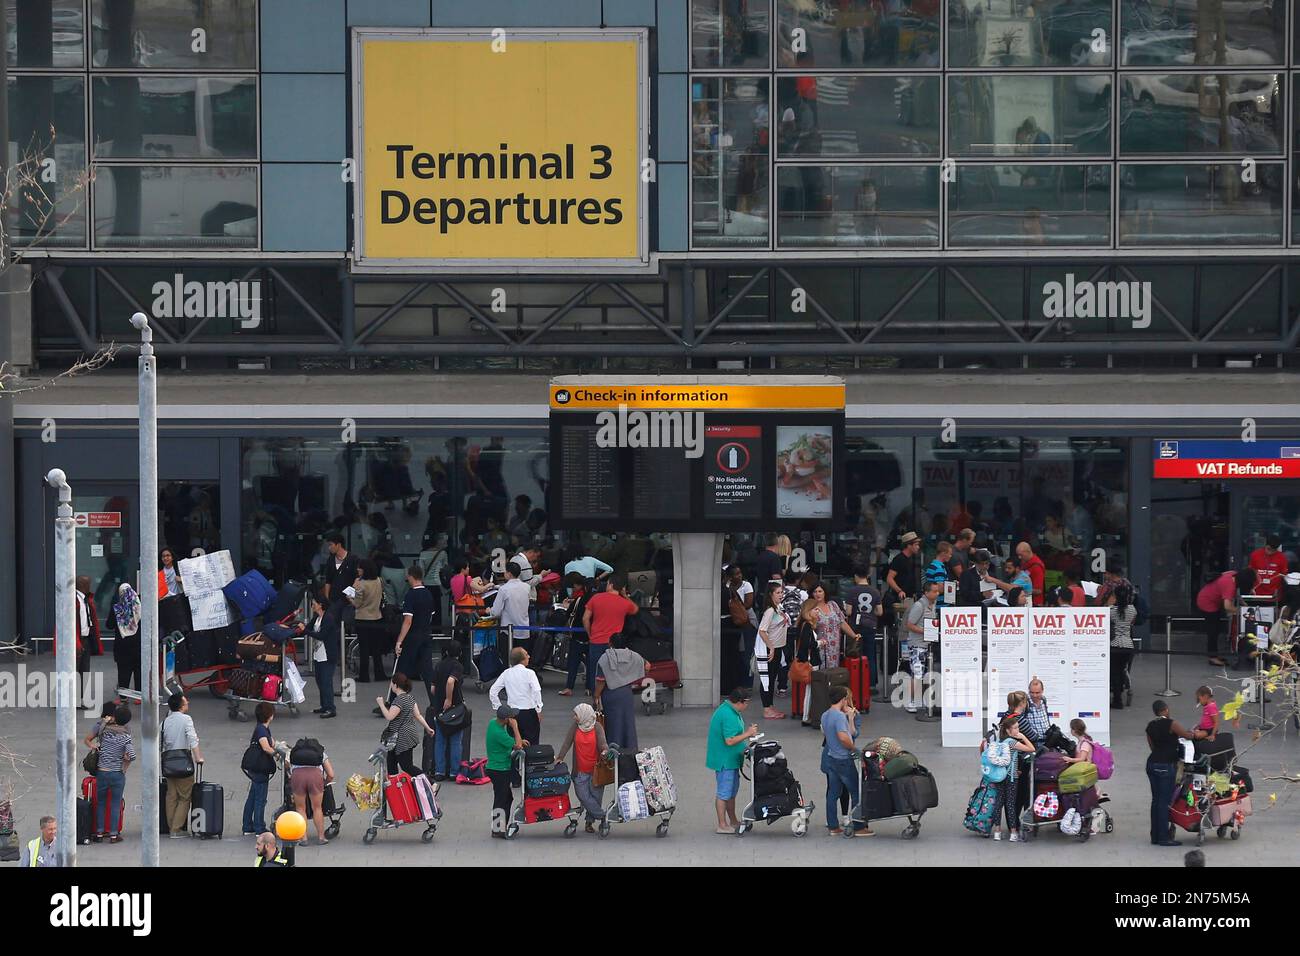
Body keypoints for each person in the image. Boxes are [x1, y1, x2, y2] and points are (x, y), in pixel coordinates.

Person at [707, 687, 758, 834]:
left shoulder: (731, 711)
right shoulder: (727, 715)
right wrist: (748, 734)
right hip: (725, 761)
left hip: (732, 759)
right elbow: (729, 740)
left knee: (731, 792)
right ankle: (722, 825)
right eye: (746, 703)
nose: (747, 706)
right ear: (740, 702)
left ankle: (733, 820)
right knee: (724, 792)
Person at [1147, 700, 1198, 846]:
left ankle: (1154, 835)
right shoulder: (1171, 723)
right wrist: (1195, 733)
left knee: (1156, 801)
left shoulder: (1150, 726)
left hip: (1151, 764)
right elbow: (1187, 736)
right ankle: (1163, 837)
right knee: (1164, 802)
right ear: (1166, 710)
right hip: (1166, 765)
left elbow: (1152, 746)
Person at [554, 702, 609, 833]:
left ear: (584, 715)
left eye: (576, 715)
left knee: (595, 797)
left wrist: (605, 752)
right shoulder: (576, 727)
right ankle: (603, 816)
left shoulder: (597, 727)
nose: (574, 717)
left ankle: (589, 823)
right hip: (580, 771)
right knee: (583, 796)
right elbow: (567, 743)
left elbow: (603, 744)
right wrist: (560, 757)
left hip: (596, 771)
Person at [582, 573, 639, 698]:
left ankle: (595, 697)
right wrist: (624, 595)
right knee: (614, 670)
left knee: (595, 670)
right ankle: (611, 694)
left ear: (611, 584)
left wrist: (590, 634)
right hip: (614, 643)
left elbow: (585, 619)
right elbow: (635, 609)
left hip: (596, 640)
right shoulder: (624, 603)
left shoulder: (596, 598)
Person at [821, 685, 867, 836]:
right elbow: (843, 737)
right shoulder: (839, 717)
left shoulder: (825, 715)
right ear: (843, 699)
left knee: (833, 793)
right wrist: (854, 749)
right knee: (856, 792)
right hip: (843, 759)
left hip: (831, 758)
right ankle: (859, 826)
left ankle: (833, 826)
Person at [986, 713, 1036, 842]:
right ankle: (1013, 833)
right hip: (1011, 777)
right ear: (1008, 730)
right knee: (1010, 804)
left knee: (998, 803)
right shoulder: (1012, 742)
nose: (1018, 730)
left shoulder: (998, 741)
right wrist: (1023, 737)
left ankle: (997, 831)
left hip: (998, 776)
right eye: (1015, 728)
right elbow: (1031, 749)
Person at [161, 692, 204, 838]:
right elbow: (192, 739)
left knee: (171, 795)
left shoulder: (165, 722)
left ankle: (171, 825)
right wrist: (198, 757)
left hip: (168, 763)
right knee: (185, 796)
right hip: (183, 762)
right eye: (186, 702)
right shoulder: (186, 719)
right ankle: (176, 829)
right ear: (180, 706)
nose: (188, 703)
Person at [594, 632, 647, 750]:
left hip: (610, 694)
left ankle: (613, 752)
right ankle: (629, 750)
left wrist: (596, 696)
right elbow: (647, 666)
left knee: (612, 724)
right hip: (626, 694)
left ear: (610, 643)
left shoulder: (605, 658)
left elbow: (601, 680)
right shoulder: (633, 656)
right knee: (628, 723)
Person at [377, 672, 435, 777]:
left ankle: (429, 782)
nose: (391, 686)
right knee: (392, 761)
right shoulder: (410, 698)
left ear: (396, 685)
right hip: (407, 735)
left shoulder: (399, 700)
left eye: (392, 683)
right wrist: (428, 727)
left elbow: (389, 716)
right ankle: (394, 787)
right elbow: (418, 715)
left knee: (407, 766)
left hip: (401, 737)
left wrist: (381, 704)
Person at [90, 705, 134, 843]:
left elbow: (99, 729)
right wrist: (125, 762)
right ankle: (114, 835)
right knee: (115, 804)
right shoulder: (126, 737)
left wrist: (105, 721)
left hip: (102, 772)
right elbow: (132, 755)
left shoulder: (103, 732)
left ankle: (99, 833)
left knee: (101, 803)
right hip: (117, 774)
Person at [393, 564, 436, 707]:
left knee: (402, 669)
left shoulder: (411, 594)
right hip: (426, 633)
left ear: (411, 576)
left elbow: (408, 621)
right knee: (427, 671)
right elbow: (431, 616)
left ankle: (395, 702)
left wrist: (399, 641)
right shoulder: (429, 594)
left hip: (412, 636)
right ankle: (435, 702)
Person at [1196, 568, 1256, 667]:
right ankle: (1213, 658)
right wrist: (1242, 612)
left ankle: (1214, 654)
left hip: (1210, 598)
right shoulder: (1229, 586)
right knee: (1213, 630)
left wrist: (1243, 603)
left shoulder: (1233, 574)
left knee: (1216, 628)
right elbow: (1228, 607)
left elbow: (1235, 594)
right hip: (1207, 603)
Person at [488, 647, 544, 746]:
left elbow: (493, 691)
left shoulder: (506, 673)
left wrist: (499, 708)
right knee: (532, 745)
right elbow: (536, 691)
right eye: (526, 655)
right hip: (529, 713)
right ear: (522, 659)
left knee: (514, 745)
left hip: (512, 713)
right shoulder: (530, 673)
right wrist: (538, 709)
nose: (529, 657)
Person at [486, 704, 526, 837]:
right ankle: (497, 830)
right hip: (500, 769)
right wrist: (515, 728)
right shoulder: (498, 733)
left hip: (495, 767)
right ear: (506, 719)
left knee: (507, 797)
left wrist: (517, 740)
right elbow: (518, 746)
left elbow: (514, 742)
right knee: (501, 799)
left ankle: (500, 826)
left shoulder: (493, 723)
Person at [429, 641, 466, 780]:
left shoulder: (439, 665)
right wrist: (449, 699)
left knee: (440, 740)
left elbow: (433, 688)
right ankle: (454, 772)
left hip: (439, 709)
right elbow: (451, 681)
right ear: (460, 653)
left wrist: (440, 698)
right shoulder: (457, 666)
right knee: (456, 741)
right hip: (454, 706)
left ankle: (439, 771)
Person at [288, 737, 336, 846]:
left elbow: (289, 768)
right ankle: (321, 837)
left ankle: (303, 838)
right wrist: (324, 783)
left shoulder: (294, 753)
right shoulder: (320, 753)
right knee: (317, 808)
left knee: (300, 808)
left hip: (298, 777)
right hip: (315, 777)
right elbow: (331, 774)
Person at [902, 581, 939, 713]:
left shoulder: (932, 605)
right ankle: (909, 700)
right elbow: (909, 625)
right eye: (934, 591)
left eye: (937, 591)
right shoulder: (919, 606)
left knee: (922, 674)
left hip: (926, 645)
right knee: (917, 674)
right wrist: (926, 631)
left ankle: (917, 699)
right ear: (926, 592)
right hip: (917, 645)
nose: (937, 593)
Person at [242, 702, 277, 836]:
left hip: (255, 767)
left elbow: (272, 742)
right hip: (260, 767)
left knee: (252, 797)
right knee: (260, 799)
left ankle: (247, 826)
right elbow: (266, 747)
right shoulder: (262, 730)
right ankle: (259, 827)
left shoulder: (263, 728)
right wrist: (277, 754)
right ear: (270, 715)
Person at [757, 581, 790, 719]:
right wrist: (770, 647)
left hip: (778, 647)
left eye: (781, 592)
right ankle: (766, 708)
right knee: (767, 679)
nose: (781, 595)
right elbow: (762, 630)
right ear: (771, 595)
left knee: (772, 678)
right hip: (770, 648)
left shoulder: (778, 608)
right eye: (778, 593)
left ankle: (770, 706)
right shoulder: (770, 611)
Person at [351, 559, 386, 683]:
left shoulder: (361, 584)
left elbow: (357, 604)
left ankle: (364, 675)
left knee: (364, 649)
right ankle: (379, 673)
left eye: (360, 568)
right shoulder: (378, 581)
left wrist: (350, 596)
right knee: (376, 648)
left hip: (363, 618)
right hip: (376, 616)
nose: (358, 570)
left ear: (364, 570)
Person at [810, 581, 857, 671]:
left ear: (825, 592)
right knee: (820, 672)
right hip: (820, 646)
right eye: (815, 592)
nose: (817, 594)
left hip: (834, 646)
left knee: (833, 672)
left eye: (820, 591)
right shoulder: (811, 609)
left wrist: (854, 636)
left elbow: (842, 623)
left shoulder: (833, 605)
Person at [488, 559, 531, 655]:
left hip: (508, 631)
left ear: (509, 574)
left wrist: (489, 611)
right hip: (524, 630)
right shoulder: (526, 587)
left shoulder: (504, 589)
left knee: (508, 660)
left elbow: (496, 612)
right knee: (522, 660)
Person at [1108, 584, 1137, 709]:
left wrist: (1110, 602)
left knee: (1114, 672)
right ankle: (1121, 694)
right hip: (1128, 645)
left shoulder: (1111, 611)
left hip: (1114, 645)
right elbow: (1132, 623)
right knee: (1122, 670)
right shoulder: (1132, 610)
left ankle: (1117, 699)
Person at [111, 582, 142, 692]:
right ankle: (139, 695)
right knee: (139, 670)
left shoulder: (117, 608)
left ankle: (123, 696)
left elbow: (109, 625)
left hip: (122, 645)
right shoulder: (139, 606)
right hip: (139, 644)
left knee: (123, 670)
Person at [886, 531, 921, 610]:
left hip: (912, 597)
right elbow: (889, 578)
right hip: (902, 598)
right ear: (909, 545)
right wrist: (899, 591)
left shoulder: (913, 559)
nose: (918, 547)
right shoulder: (899, 559)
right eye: (916, 545)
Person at [1248, 534, 1288, 600]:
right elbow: (1250, 570)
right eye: (1268, 549)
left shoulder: (1282, 558)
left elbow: (1283, 575)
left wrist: (1279, 591)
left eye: (1273, 550)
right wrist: (1257, 577)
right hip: (1257, 593)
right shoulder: (1255, 554)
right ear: (1265, 545)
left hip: (1274, 595)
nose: (1270, 552)